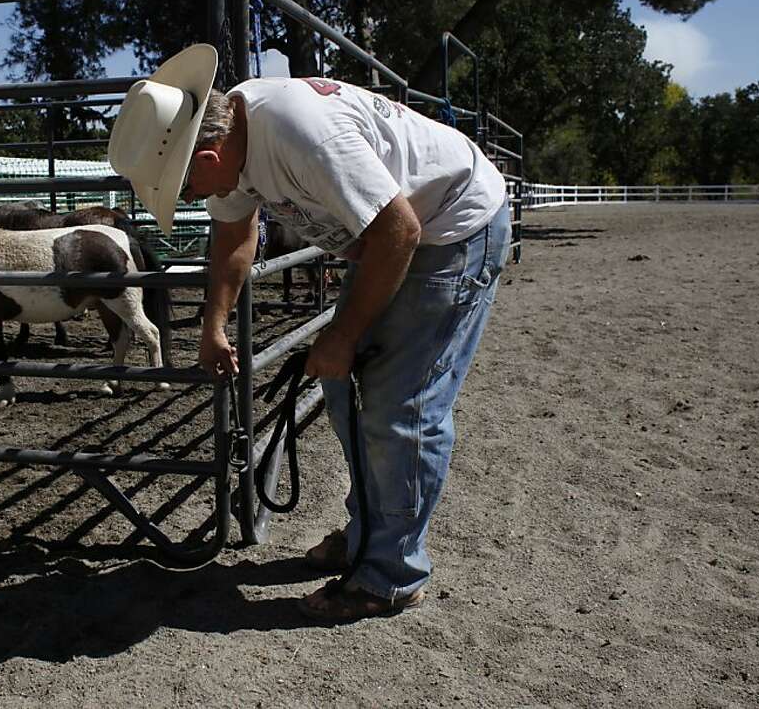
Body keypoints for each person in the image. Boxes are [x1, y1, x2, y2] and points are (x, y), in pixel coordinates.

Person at [108, 44, 510, 622]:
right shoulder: (237, 145)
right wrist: (214, 323)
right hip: (392, 236)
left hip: (451, 228)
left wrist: (343, 334)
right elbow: (232, 236)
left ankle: (391, 574)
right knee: (346, 390)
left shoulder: (301, 134)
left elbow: (400, 229)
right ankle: (370, 532)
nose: (189, 198)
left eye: (182, 186)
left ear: (209, 154)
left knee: (403, 405)